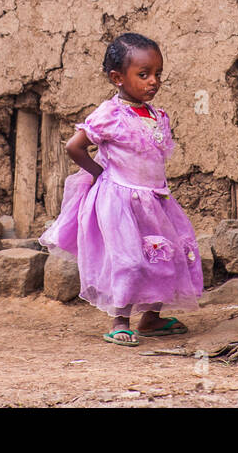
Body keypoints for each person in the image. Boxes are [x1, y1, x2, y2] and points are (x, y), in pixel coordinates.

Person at [39, 32, 204, 345]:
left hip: (155, 201)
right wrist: (100, 173)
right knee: (128, 260)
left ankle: (151, 318)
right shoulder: (109, 115)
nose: (153, 81)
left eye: (158, 74)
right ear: (117, 77)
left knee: (164, 256)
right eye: (143, 75)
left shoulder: (157, 115)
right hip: (120, 202)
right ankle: (119, 320)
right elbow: (75, 147)